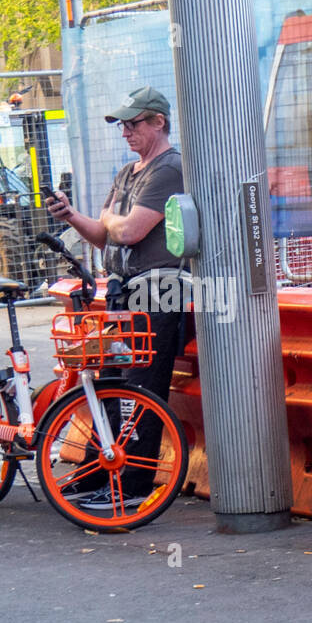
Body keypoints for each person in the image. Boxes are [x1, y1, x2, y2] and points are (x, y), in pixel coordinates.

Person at [45, 85, 186, 512]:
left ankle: (136, 480)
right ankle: (98, 469)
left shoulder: (170, 169)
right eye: (122, 124)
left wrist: (109, 219)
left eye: (134, 123)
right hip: (125, 288)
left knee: (143, 384)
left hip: (158, 288)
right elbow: (105, 232)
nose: (126, 131)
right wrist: (72, 215)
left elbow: (126, 231)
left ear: (158, 122)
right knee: (108, 379)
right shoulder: (128, 173)